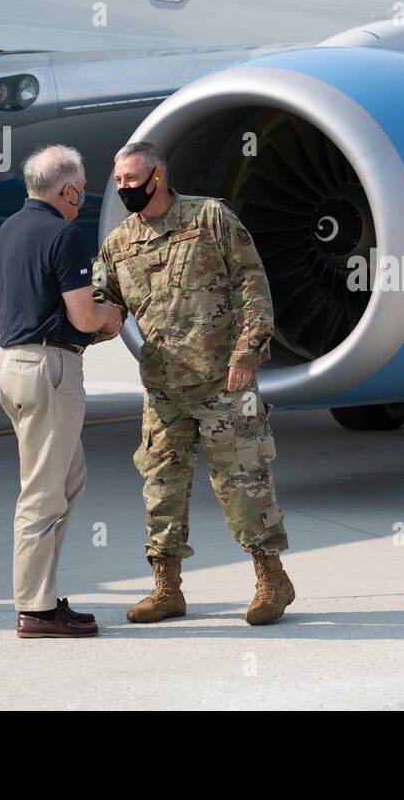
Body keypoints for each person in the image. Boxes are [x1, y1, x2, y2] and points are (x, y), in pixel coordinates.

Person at [92, 141, 294, 626]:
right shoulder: (120, 243)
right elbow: (103, 301)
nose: (125, 189)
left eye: (132, 180)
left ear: (158, 176)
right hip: (163, 388)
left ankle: (272, 579)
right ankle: (167, 588)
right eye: (118, 181)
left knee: (242, 485)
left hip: (224, 380)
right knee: (161, 489)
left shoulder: (210, 219)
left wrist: (248, 352)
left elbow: (253, 283)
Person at [0, 145, 123, 639]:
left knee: (68, 481)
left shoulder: (8, 230)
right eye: (82, 187)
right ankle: (36, 611)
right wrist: (110, 320)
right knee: (43, 495)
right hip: (51, 367)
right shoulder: (64, 234)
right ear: (66, 190)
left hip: (16, 366)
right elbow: (84, 316)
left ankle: (42, 595)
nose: (83, 196)